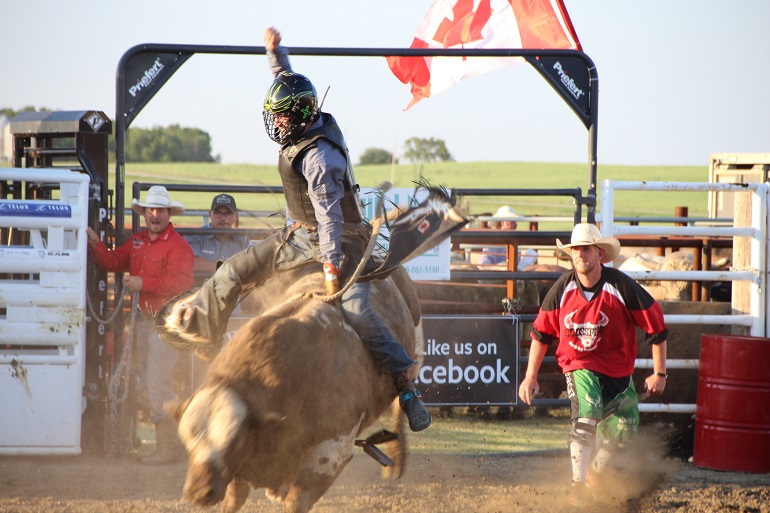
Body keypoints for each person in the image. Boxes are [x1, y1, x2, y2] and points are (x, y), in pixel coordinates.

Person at [154, 26, 431, 432]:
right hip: (300, 235)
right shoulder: (304, 119)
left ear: (302, 115)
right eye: (276, 113)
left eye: (282, 115)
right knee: (232, 270)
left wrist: (333, 266)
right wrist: (275, 54)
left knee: (357, 309)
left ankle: (406, 386)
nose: (277, 120)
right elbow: (286, 84)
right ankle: (210, 338)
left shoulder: (319, 158)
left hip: (338, 241)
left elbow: (329, 215)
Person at [517, 223, 668, 503]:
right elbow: (541, 333)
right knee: (586, 416)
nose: (580, 255)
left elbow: (655, 325)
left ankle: (594, 474)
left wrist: (660, 372)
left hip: (619, 371)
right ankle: (578, 484)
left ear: (600, 254)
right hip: (579, 365)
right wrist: (530, 377)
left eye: (586, 249)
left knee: (624, 432)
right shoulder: (563, 288)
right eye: (576, 250)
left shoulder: (620, 286)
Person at [86, 185, 194, 465]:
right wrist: (95, 243)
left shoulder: (178, 246)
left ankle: (170, 448)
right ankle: (170, 446)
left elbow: (183, 284)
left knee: (157, 381)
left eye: (160, 210)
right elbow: (112, 260)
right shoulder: (138, 242)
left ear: (169, 214)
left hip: (164, 324)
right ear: (144, 213)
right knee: (150, 380)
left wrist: (143, 284)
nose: (155, 215)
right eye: (151, 210)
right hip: (146, 323)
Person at [184, 193, 252, 280]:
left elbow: (251, 263)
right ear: (210, 214)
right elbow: (191, 263)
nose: (223, 218)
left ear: (235, 216)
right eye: (218, 213)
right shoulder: (196, 235)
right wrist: (230, 269)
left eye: (228, 213)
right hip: (202, 290)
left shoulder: (243, 238)